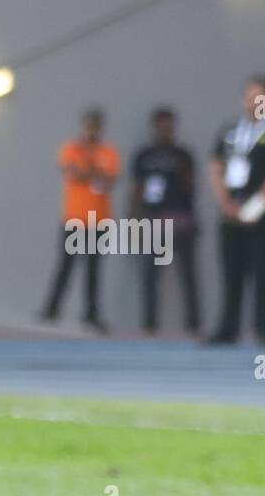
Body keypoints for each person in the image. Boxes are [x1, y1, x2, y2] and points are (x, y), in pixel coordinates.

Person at [206, 74, 265, 345]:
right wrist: (226, 204)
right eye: (249, 96)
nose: (253, 102)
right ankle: (228, 328)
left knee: (262, 271)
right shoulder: (230, 132)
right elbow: (215, 168)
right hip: (231, 212)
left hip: (263, 215)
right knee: (231, 272)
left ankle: (264, 328)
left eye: (260, 97)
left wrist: (255, 208)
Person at [41, 107, 118, 332]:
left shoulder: (108, 151)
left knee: (94, 269)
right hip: (74, 218)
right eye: (88, 125)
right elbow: (73, 173)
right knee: (65, 266)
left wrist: (88, 172)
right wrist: (95, 173)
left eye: (95, 125)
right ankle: (52, 309)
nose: (91, 130)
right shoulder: (71, 148)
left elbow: (110, 181)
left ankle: (91, 313)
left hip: (99, 220)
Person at [131, 106, 199, 334]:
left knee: (188, 273)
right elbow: (137, 188)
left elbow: (191, 186)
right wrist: (134, 220)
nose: (165, 130)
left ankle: (193, 323)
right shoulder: (144, 156)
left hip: (181, 220)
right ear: (154, 127)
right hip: (154, 220)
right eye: (161, 125)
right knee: (150, 273)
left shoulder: (183, 155)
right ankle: (150, 324)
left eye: (168, 125)